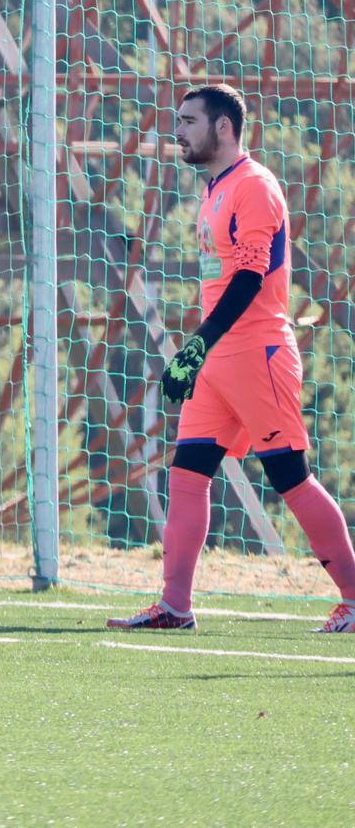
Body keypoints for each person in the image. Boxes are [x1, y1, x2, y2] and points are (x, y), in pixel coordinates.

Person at [108, 83, 355, 634]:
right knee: (188, 474)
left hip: (257, 353)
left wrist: (194, 346)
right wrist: (202, 350)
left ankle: (354, 599)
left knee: (290, 478)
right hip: (220, 357)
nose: (179, 131)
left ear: (223, 127)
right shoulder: (215, 188)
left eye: (189, 121)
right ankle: (175, 607)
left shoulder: (255, 186)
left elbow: (249, 278)